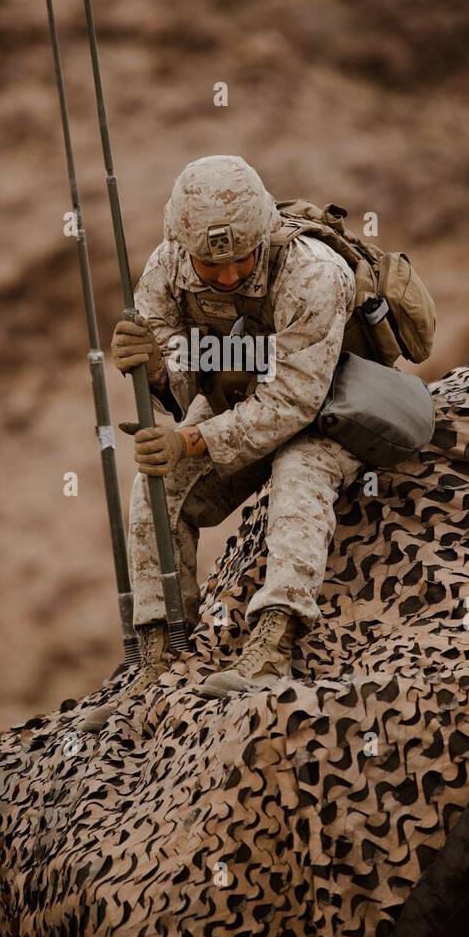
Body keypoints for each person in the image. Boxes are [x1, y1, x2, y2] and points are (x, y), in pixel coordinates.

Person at [76, 154, 363, 732]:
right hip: (236, 404)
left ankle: (273, 645)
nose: (228, 277)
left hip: (335, 407)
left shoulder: (313, 273)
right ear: (185, 247)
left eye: (241, 260)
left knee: (299, 476)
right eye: (212, 263)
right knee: (155, 485)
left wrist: (195, 442)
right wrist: (153, 368)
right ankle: (157, 659)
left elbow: (293, 404)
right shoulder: (164, 274)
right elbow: (186, 388)